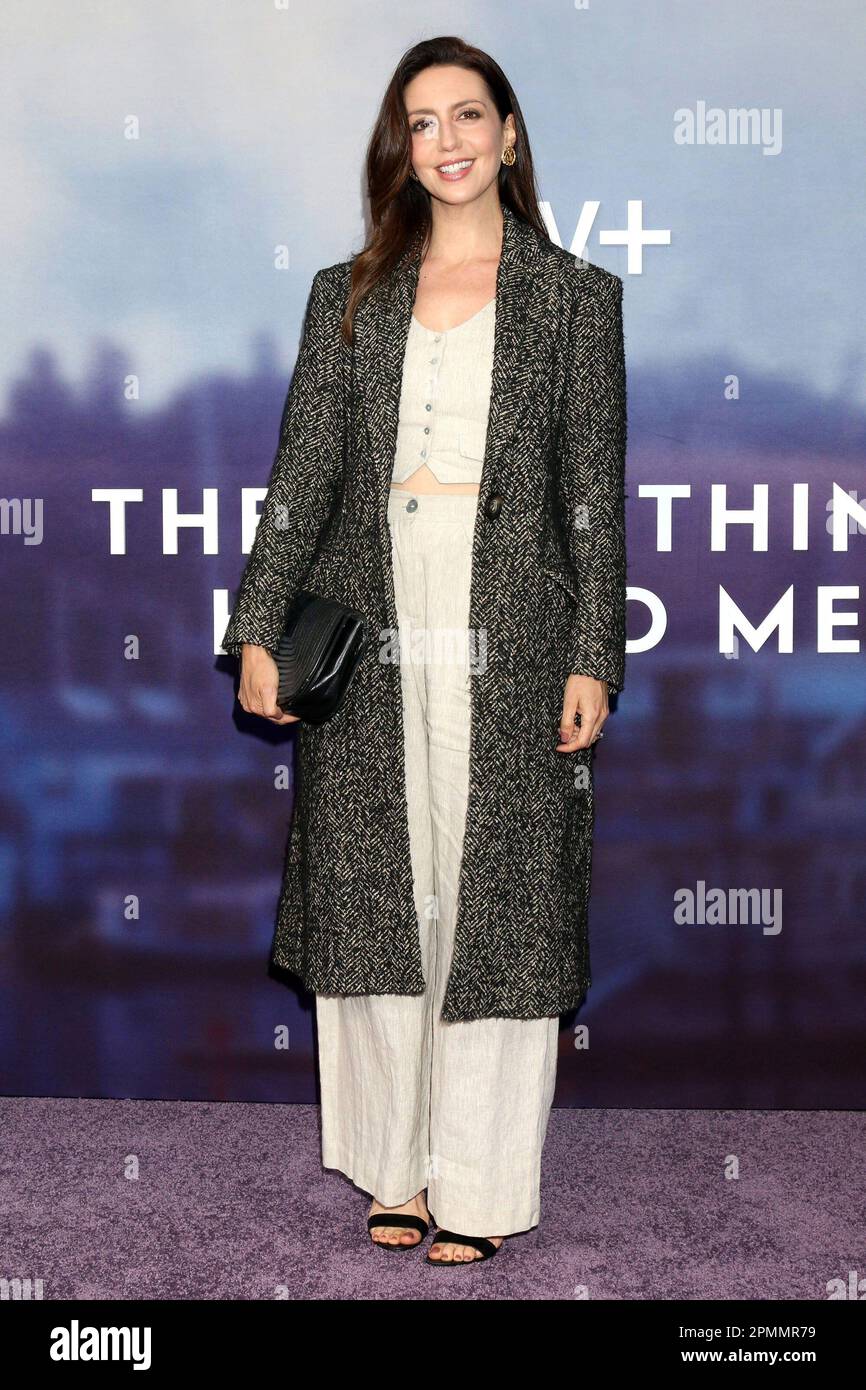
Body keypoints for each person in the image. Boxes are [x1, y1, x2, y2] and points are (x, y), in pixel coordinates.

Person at [222, 35, 628, 1268]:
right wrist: (255, 627)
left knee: (493, 901)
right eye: (420, 122)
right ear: (399, 147)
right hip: (370, 608)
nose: (444, 141)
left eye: (466, 115)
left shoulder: (575, 298)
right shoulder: (347, 293)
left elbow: (590, 497)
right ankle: (396, 1169)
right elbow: (300, 477)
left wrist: (591, 651)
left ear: (508, 134)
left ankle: (482, 1186)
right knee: (380, 901)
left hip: (512, 621)